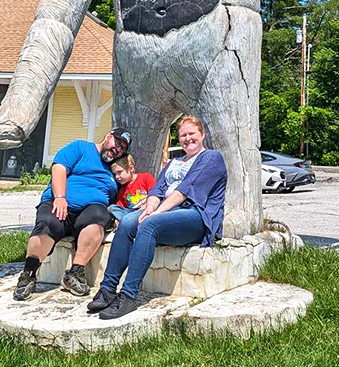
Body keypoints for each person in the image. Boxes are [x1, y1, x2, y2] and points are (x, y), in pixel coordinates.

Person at [88, 116, 226, 320]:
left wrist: (156, 213)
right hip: (167, 213)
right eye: (183, 135)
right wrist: (150, 207)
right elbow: (157, 190)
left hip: (196, 216)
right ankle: (108, 289)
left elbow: (184, 190)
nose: (187, 138)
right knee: (127, 222)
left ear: (202, 134)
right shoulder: (173, 162)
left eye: (192, 134)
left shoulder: (211, 158)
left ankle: (128, 295)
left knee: (149, 224)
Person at [12, 128, 132, 301]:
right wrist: (60, 197)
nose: (118, 149)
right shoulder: (80, 147)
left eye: (122, 148)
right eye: (117, 142)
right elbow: (59, 168)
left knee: (99, 217)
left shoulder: (114, 169)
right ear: (108, 136)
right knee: (48, 223)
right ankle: (28, 274)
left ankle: (75, 273)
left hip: (91, 211)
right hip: (60, 203)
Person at [107, 155, 156, 221]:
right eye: (115, 174)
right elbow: (121, 207)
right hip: (131, 214)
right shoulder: (122, 190)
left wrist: (147, 205)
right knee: (111, 208)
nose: (117, 177)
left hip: (147, 209)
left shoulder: (146, 178)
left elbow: (155, 193)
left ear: (131, 169)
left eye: (119, 172)